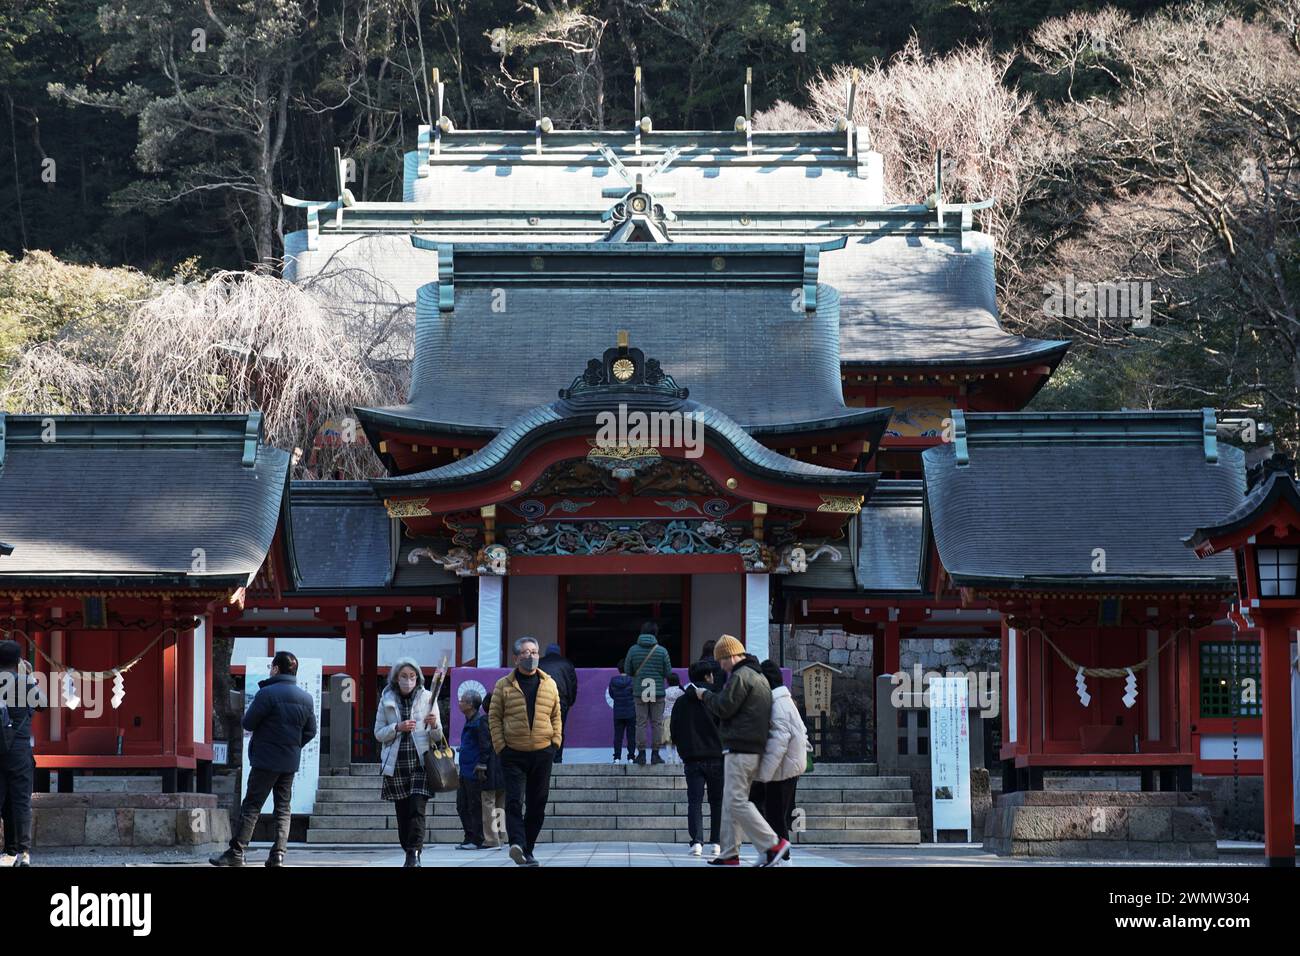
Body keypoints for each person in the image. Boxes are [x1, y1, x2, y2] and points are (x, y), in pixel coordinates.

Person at [211, 651, 317, 867]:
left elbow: (248, 723)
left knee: (252, 805)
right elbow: (311, 731)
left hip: (265, 760)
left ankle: (237, 852)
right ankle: (278, 854)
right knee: (283, 807)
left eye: (271, 667)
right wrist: (293, 747)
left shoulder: (267, 694)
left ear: (276, 669)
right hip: (289, 762)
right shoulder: (306, 698)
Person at [693, 635, 789, 868]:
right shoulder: (758, 676)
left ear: (732, 655)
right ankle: (729, 853)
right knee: (730, 802)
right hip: (752, 746)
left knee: (736, 801)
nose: (721, 667)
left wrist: (704, 695)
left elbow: (724, 707)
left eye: (722, 661)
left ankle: (772, 844)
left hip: (740, 747)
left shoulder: (741, 676)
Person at [489, 636, 562, 866]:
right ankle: (517, 843)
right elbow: (494, 717)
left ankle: (527, 848)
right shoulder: (503, 685)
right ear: (516, 657)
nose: (531, 656)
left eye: (534, 652)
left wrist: (555, 742)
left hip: (542, 752)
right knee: (513, 801)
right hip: (513, 754)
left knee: (537, 803)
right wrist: (501, 746)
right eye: (526, 652)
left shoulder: (549, 683)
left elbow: (556, 715)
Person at [373, 658, 441, 867]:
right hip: (397, 763)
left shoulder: (429, 698)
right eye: (404, 676)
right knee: (403, 813)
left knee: (417, 809)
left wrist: (434, 724)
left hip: (421, 762)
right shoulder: (386, 700)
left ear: (418, 678)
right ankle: (408, 849)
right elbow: (378, 733)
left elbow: (438, 736)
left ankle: (414, 854)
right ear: (395, 678)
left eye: (412, 676)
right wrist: (397, 727)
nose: (408, 680)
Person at [755, 660, 808, 857]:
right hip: (788, 765)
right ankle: (774, 852)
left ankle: (782, 856)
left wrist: (764, 774)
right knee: (773, 812)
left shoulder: (778, 704)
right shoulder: (784, 700)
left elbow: (778, 742)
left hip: (783, 768)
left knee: (775, 814)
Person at [671, 661, 724, 858]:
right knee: (717, 801)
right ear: (709, 676)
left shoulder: (681, 701)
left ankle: (696, 842)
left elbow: (674, 730)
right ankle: (716, 842)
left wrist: (684, 750)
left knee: (694, 801)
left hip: (692, 758)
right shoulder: (717, 698)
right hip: (716, 757)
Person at [0, 641, 42, 867]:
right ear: (18, 661)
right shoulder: (24, 682)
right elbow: (43, 705)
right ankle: (23, 852)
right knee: (21, 802)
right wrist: (30, 677)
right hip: (19, 750)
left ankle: (8, 851)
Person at [623, 621, 672, 765]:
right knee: (657, 723)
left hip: (640, 691)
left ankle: (642, 754)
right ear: (655, 633)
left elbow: (628, 670)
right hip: (657, 691)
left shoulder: (633, 650)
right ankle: (655, 754)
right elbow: (668, 672)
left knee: (641, 723)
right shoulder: (662, 651)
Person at [455, 689, 488, 850]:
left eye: (462, 701)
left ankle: (478, 839)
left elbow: (485, 745)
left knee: (475, 805)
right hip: (464, 770)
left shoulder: (480, 721)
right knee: (462, 804)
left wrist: (482, 763)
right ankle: (469, 837)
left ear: (470, 705)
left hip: (474, 771)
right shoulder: (469, 721)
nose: (459, 703)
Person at [538, 642, 577, 763]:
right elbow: (573, 685)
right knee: (558, 730)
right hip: (561, 701)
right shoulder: (567, 664)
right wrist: (570, 701)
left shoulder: (539, 663)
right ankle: (557, 758)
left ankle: (543, 758)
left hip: (542, 701)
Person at [477, 692, 507, 849]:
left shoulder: (485, 720)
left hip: (491, 766)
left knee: (488, 802)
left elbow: (485, 745)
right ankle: (501, 836)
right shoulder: (506, 720)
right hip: (505, 767)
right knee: (501, 804)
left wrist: (482, 763)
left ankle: (491, 839)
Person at [608, 660, 636, 763]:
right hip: (631, 711)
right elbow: (635, 694)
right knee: (631, 736)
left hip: (618, 712)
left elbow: (612, 694)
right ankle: (631, 757)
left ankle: (617, 758)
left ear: (618, 669)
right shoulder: (632, 680)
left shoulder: (613, 680)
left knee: (618, 736)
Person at [662, 672, 685, 763]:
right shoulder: (681, 691)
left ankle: (669, 758)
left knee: (668, 739)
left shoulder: (665, 692)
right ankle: (677, 757)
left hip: (667, 716)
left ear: (668, 681)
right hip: (679, 717)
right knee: (678, 738)